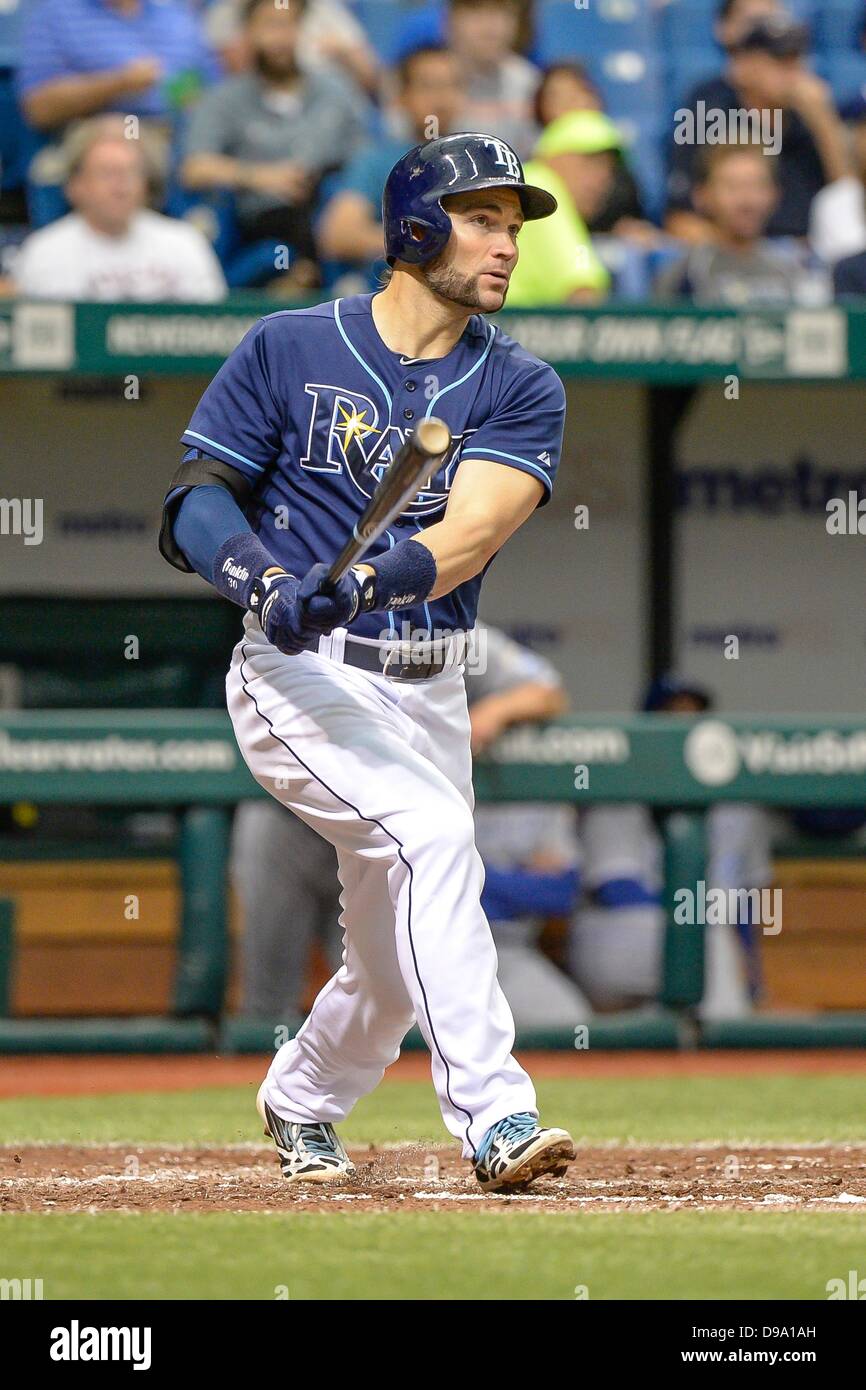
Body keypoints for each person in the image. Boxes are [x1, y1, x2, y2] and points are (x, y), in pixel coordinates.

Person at [159, 132, 575, 1193]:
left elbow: (470, 532)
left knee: (393, 971)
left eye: (512, 226)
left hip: (426, 671)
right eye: (480, 219)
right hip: (299, 670)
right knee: (434, 837)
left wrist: (364, 577)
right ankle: (496, 1113)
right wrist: (260, 578)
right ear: (415, 228)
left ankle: (300, 1097)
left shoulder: (518, 383)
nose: (503, 245)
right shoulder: (290, 343)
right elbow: (197, 497)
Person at [570, 678, 771, 1019]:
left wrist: (752, 967)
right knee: (706, 941)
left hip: (703, 940)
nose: (685, 727)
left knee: (708, 949)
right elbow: (617, 891)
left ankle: (669, 1053)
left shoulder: (739, 808)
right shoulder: (617, 794)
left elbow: (746, 902)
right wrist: (698, 913)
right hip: (616, 933)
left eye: (695, 717)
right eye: (671, 716)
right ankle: (721, 1058)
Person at [180, 0, 366, 289]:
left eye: (288, 25)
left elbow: (366, 156)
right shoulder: (225, 99)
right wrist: (259, 176)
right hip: (259, 215)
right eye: (269, 26)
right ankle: (300, 280)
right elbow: (194, 168)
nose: (280, 38)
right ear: (248, 33)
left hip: (324, 207)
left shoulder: (335, 91)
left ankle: (317, 284)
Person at [468, 624, 589, 1029]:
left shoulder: (533, 771)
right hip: (414, 952)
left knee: (570, 1026)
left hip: (505, 951)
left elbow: (559, 892)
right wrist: (508, 883)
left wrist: (470, 882)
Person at [666, 11, 848, 243]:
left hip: (807, 256)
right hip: (732, 256)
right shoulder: (711, 108)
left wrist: (825, 124)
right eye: (780, 60)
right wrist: (750, 254)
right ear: (743, 65)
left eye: (797, 59)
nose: (793, 72)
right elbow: (680, 219)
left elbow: (846, 203)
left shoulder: (809, 120)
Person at [12, 116, 226, 300]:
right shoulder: (44, 252)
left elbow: (215, 326)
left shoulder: (184, 244)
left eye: (130, 173)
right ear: (75, 185)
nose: (120, 186)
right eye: (107, 173)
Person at [317, 45, 462, 278]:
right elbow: (338, 235)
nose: (441, 99)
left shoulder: (470, 161)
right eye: (428, 86)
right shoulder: (375, 160)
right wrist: (430, 242)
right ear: (402, 97)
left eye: (451, 86)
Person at [16, 0, 219, 132]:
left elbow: (211, 89)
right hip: (100, 129)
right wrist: (119, 83)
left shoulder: (177, 17)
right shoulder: (57, 14)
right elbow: (38, 109)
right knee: (123, 146)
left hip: (174, 133)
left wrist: (193, 100)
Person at [655, 143, 816, 305]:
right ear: (702, 195)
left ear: (774, 194)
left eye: (757, 185)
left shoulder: (795, 273)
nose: (746, 200)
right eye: (732, 187)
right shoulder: (684, 277)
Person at [231, 801, 342, 1025]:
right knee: (268, 1010)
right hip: (281, 814)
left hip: (373, 822)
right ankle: (270, 1056)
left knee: (391, 1000)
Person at [505, 110, 617, 306]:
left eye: (608, 168)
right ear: (551, 158)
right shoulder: (540, 186)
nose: (602, 179)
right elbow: (582, 293)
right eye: (591, 163)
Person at [202, 0, 380, 95]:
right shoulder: (228, 10)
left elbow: (370, 76)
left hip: (322, 99)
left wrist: (343, 51)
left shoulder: (323, 8)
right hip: (259, 104)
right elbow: (236, 71)